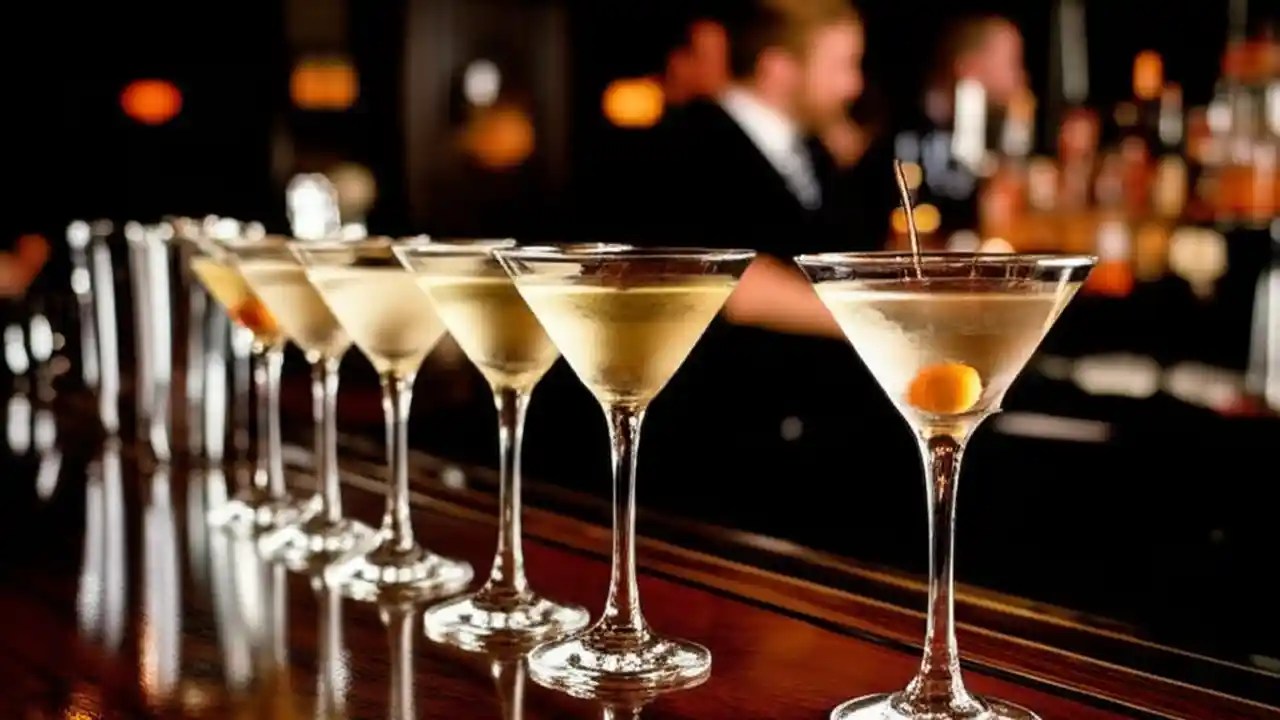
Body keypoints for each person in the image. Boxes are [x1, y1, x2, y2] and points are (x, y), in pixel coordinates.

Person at [650, 0, 888, 338]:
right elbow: (733, 286)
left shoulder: (813, 149)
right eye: (842, 66)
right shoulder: (689, 144)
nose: (854, 86)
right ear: (777, 69)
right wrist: (888, 326)